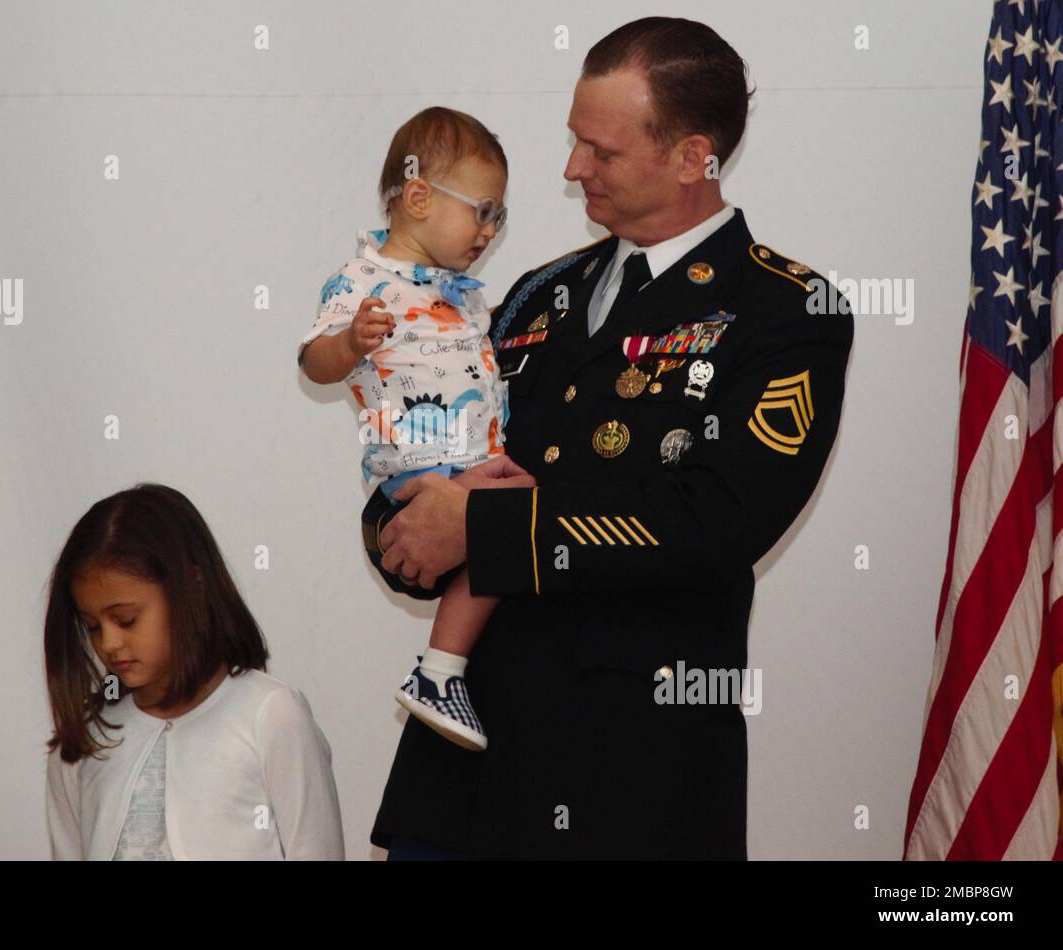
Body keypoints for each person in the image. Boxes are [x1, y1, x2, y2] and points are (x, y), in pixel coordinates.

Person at [370, 17, 854, 859]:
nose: (571, 168)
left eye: (602, 150)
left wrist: (478, 528)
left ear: (690, 155)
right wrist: (402, 523)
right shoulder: (531, 295)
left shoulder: (787, 309)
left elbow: (717, 520)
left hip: (635, 780)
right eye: (573, 140)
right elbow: (431, 443)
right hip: (466, 772)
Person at [299, 107, 535, 752]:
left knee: (527, 508)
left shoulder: (463, 293)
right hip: (415, 476)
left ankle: (448, 673)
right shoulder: (362, 280)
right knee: (506, 529)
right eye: (482, 210)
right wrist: (350, 341)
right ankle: (438, 673)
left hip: (469, 465)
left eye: (499, 216)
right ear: (420, 197)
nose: (489, 230)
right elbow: (312, 363)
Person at [43, 482, 344, 859]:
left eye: (126, 619)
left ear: (194, 587)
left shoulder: (272, 715)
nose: (109, 643)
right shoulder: (85, 743)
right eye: (91, 626)